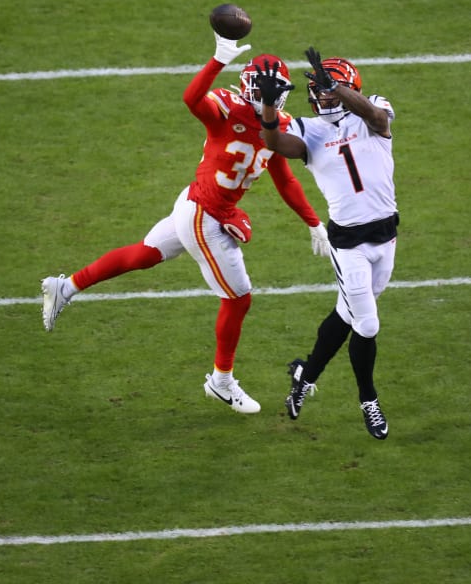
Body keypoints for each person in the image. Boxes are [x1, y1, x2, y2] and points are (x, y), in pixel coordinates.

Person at [41, 31, 332, 415]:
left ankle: (66, 286)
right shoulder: (227, 109)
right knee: (238, 297)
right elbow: (191, 99)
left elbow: (284, 178)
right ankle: (221, 381)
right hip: (205, 214)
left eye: (276, 92)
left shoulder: (275, 125)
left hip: (199, 203)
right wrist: (217, 59)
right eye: (268, 92)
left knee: (146, 254)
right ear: (252, 90)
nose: (273, 98)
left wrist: (314, 223)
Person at [253, 47, 398, 439]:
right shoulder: (308, 129)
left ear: (348, 88)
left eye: (328, 89)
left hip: (386, 236)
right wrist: (268, 105)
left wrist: (341, 89)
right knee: (366, 324)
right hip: (348, 242)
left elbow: (374, 116)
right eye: (318, 88)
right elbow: (273, 143)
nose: (321, 96)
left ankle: (305, 374)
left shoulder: (374, 112)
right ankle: (369, 399)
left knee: (346, 315)